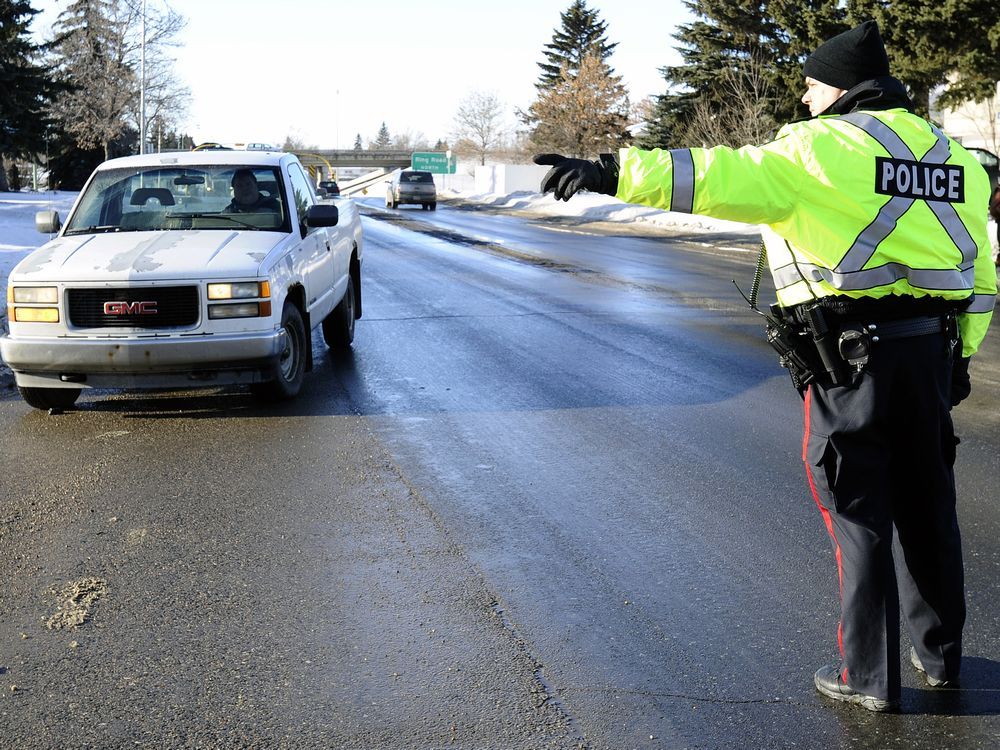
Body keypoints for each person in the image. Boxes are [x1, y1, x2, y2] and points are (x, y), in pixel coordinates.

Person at [535, 20, 996, 713]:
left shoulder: (815, 149)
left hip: (851, 362)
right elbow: (981, 270)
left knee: (859, 508)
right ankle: (941, 659)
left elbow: (715, 175)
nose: (805, 100)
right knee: (930, 506)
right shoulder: (952, 156)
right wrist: (961, 352)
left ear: (841, 86)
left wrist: (611, 168)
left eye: (811, 86)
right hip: (929, 353)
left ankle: (866, 675)